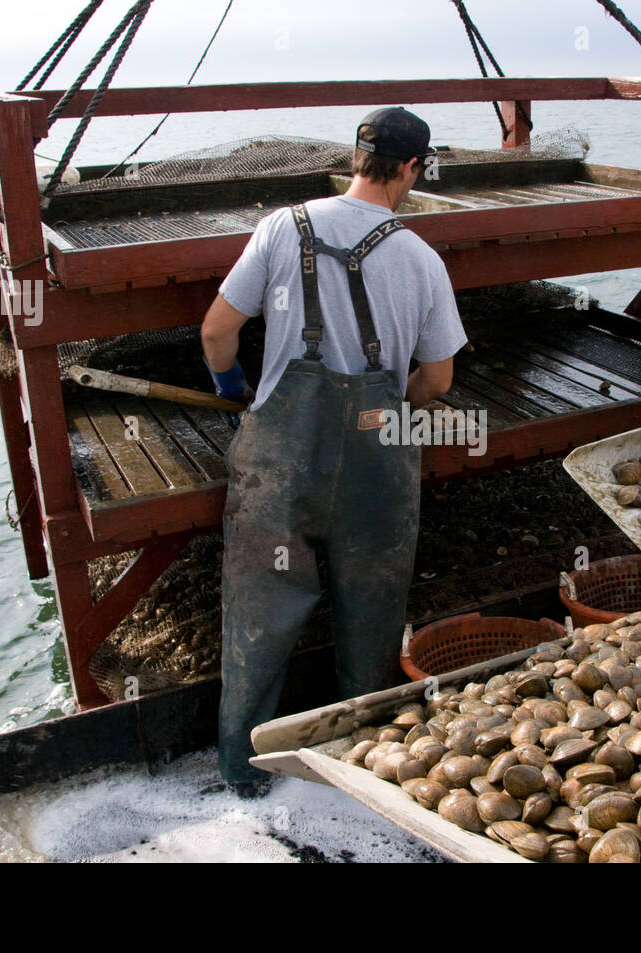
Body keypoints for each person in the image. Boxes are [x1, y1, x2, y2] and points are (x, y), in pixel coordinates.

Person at [200, 107, 468, 787]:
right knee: (371, 612)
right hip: (376, 464)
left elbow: (216, 332)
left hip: (280, 466)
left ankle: (244, 772)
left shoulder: (280, 229)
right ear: (412, 168)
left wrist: (236, 392)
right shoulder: (422, 259)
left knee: (259, 611)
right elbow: (438, 378)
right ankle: (361, 770)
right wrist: (393, 403)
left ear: (355, 156)